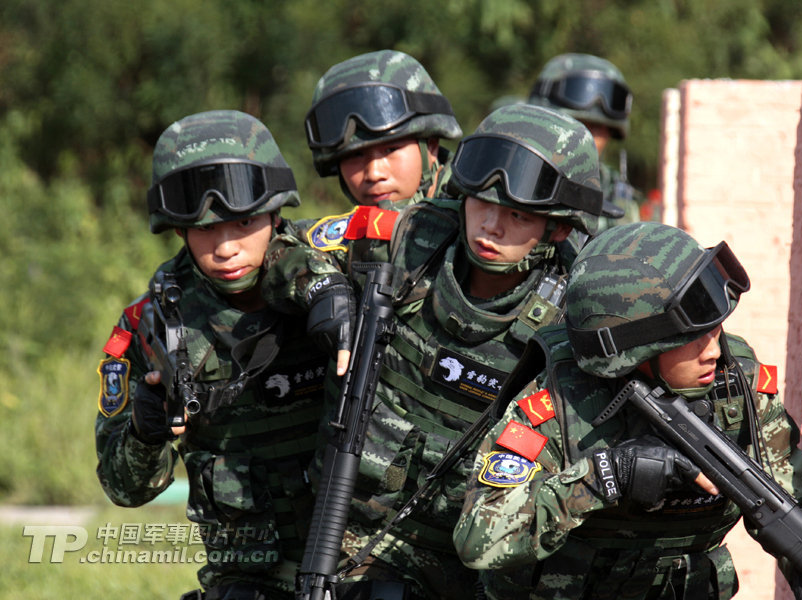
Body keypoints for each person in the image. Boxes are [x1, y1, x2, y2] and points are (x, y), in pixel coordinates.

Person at [274, 103, 618, 599]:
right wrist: (322, 290)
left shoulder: (578, 306)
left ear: (559, 228)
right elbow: (283, 244)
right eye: (482, 204)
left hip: (491, 562)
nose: (491, 227)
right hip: (361, 541)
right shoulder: (408, 234)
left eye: (518, 215)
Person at [453, 222, 802, 599]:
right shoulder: (556, 407)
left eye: (716, 329)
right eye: (690, 338)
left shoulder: (738, 392)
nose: (714, 351)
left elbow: (794, 513)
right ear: (631, 348)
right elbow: (476, 539)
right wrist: (607, 475)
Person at [94, 110, 353, 600]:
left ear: (275, 212)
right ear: (177, 230)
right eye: (204, 228)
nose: (227, 245)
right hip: (252, 579)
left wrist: (335, 301)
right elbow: (122, 489)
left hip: (367, 557)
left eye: (243, 222)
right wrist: (145, 433)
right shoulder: (151, 328)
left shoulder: (341, 272)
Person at [301, 49, 462, 265]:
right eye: (355, 155)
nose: (374, 173)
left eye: (390, 150)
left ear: (430, 146)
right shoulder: (343, 238)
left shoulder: (481, 221)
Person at [529, 53, 644, 231]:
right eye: (577, 126)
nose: (585, 139)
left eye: (596, 130)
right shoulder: (515, 176)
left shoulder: (618, 199)